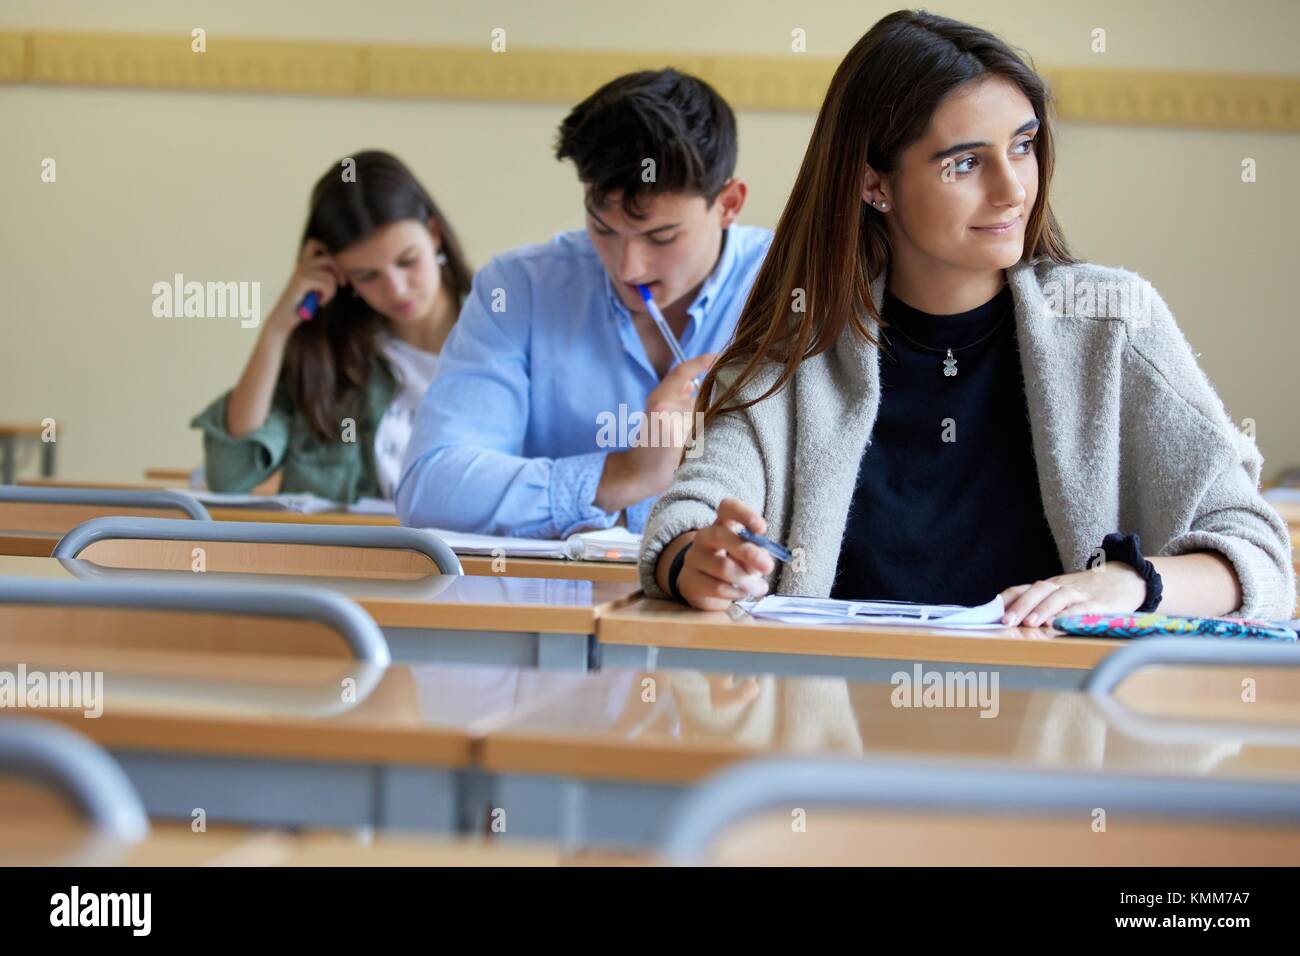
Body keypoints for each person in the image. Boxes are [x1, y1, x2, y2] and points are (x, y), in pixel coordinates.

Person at [641, 10, 1294, 624]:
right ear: (875, 184)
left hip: (1064, 706)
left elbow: (1260, 559)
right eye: (966, 163)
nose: (1012, 189)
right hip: (832, 702)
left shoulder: (1112, 322)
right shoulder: (800, 347)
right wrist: (698, 562)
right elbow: (683, 524)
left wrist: (1129, 582)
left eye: (1023, 146)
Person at [397, 69, 772, 537]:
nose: (628, 268)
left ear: (729, 203)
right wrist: (626, 475)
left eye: (661, 236)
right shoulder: (518, 289)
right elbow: (431, 491)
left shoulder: (790, 290)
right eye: (604, 229)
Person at [192, 150, 471, 502]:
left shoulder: (504, 332)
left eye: (407, 261)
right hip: (355, 541)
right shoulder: (327, 357)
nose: (396, 289)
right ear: (338, 273)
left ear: (433, 233)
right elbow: (229, 476)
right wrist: (277, 331)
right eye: (367, 276)